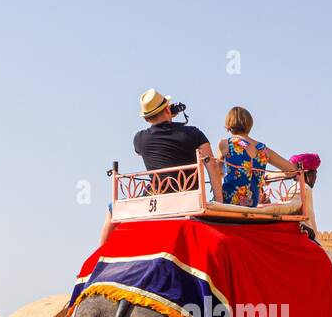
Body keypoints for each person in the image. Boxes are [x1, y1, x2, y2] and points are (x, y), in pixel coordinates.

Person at [99, 88, 224, 244]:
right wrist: (219, 200)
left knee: (111, 211)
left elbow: (147, 151)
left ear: (146, 119)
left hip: (157, 199)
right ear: (167, 108)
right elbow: (210, 163)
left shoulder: (140, 139)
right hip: (189, 197)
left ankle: (100, 258)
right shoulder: (194, 133)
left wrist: (165, 119)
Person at [217, 107, 297, 207]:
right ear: (250, 125)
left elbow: (217, 172)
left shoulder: (225, 143)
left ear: (229, 125)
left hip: (229, 201)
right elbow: (292, 170)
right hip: (252, 203)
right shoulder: (262, 149)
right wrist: (262, 177)